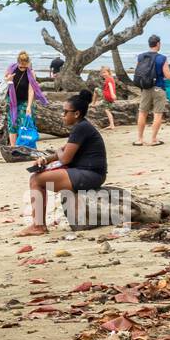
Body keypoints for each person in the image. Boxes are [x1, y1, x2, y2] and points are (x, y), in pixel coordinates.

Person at [18, 89, 108, 236]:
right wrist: (45, 159)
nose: (63, 115)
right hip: (87, 172)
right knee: (38, 176)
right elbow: (62, 151)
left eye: (66, 112)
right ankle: (39, 225)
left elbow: (65, 157)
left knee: (36, 180)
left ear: (76, 114)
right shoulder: (81, 126)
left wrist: (60, 153)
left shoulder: (81, 128)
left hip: (90, 174)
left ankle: (38, 226)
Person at [133, 34, 170, 147]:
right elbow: (168, 76)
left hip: (145, 88)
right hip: (159, 88)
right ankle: (153, 139)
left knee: (142, 113)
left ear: (149, 44)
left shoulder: (141, 57)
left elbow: (138, 72)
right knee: (157, 114)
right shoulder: (162, 58)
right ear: (158, 44)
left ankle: (140, 139)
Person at [3, 50, 49, 146]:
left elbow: (31, 90)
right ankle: (13, 148)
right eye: (21, 66)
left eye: (25, 66)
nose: (23, 68)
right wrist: (8, 79)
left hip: (24, 100)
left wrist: (29, 106)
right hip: (12, 101)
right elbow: (4, 82)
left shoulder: (31, 73)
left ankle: (23, 145)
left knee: (25, 123)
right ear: (18, 62)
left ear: (28, 63)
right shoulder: (11, 68)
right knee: (12, 123)